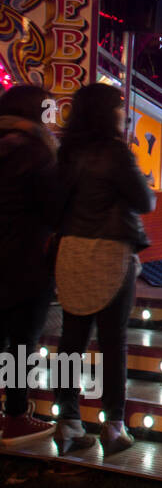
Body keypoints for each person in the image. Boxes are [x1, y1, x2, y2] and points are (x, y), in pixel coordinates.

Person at [53, 83, 155, 456]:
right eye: (119, 107)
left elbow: (55, 207)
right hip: (111, 251)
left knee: (71, 340)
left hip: (72, 249)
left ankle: (68, 423)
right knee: (113, 342)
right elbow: (144, 201)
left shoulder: (66, 153)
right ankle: (113, 426)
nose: (124, 113)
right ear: (105, 112)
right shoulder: (116, 152)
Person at [0, 85, 59, 447]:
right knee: (23, 343)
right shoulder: (37, 151)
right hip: (26, 259)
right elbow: (53, 206)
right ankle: (16, 416)